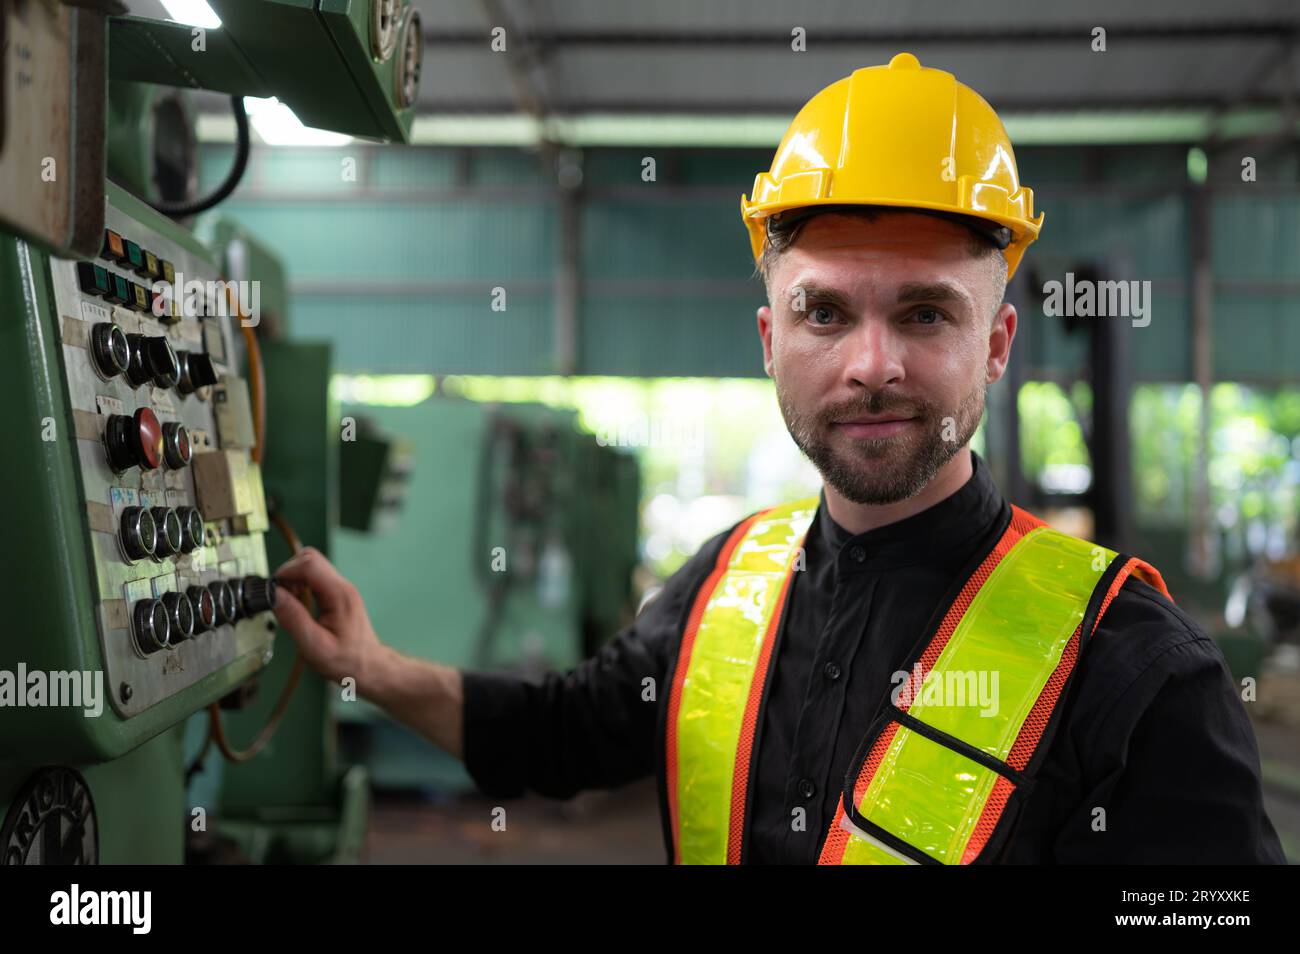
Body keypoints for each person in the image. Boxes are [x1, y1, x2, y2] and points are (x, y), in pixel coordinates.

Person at [273, 53, 1285, 864]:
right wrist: (370, 668)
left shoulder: (1136, 670)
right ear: (769, 340)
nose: (871, 365)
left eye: (926, 312)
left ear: (996, 344)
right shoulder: (722, 586)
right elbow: (558, 733)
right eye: (825, 313)